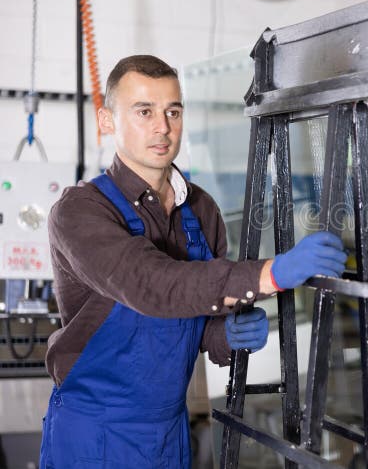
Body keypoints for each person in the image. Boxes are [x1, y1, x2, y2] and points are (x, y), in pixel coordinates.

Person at [39, 55, 347, 468]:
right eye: (143, 111)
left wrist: (224, 335)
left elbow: (187, 322)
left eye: (173, 111)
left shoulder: (200, 210)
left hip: (169, 431)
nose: (162, 127)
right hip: (96, 432)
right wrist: (269, 273)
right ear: (107, 120)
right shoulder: (80, 212)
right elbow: (153, 285)